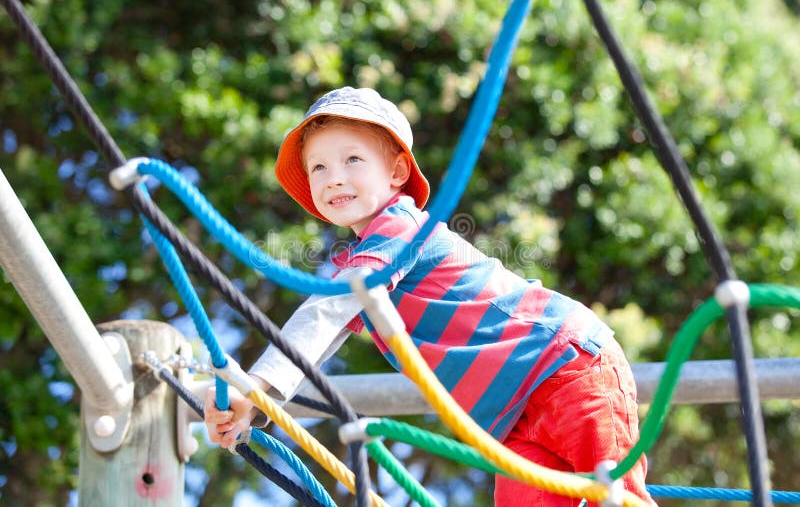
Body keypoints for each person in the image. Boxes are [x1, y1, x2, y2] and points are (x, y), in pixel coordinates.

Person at [204, 86, 656, 506]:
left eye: (352, 160)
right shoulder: (365, 264)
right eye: (318, 167)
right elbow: (325, 333)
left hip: (568, 368)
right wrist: (257, 407)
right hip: (513, 418)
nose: (333, 178)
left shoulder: (399, 228)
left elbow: (327, 309)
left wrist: (254, 386)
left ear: (398, 171)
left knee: (619, 498)